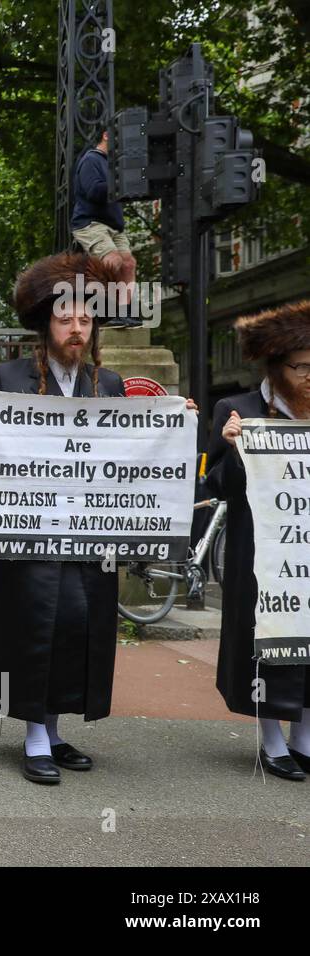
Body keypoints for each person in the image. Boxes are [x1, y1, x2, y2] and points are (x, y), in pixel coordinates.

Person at [0, 252, 196, 785]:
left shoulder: (108, 385)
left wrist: (177, 429)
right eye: (67, 317)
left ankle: (55, 730)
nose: (77, 327)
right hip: (29, 537)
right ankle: (33, 734)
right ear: (46, 323)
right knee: (36, 624)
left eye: (86, 318)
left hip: (88, 538)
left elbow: (129, 454)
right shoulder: (4, 375)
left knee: (78, 628)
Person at [207, 299, 310, 781]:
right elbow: (217, 487)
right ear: (277, 365)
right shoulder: (238, 410)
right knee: (269, 641)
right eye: (303, 366)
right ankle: (272, 739)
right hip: (261, 555)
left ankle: (305, 737)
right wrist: (231, 449)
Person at [71, 128, 138, 327]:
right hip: (90, 223)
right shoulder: (91, 160)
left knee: (128, 264)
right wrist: (121, 180)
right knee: (113, 261)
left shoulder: (114, 165)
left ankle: (124, 313)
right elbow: (94, 191)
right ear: (106, 135)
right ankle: (105, 310)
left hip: (114, 226)